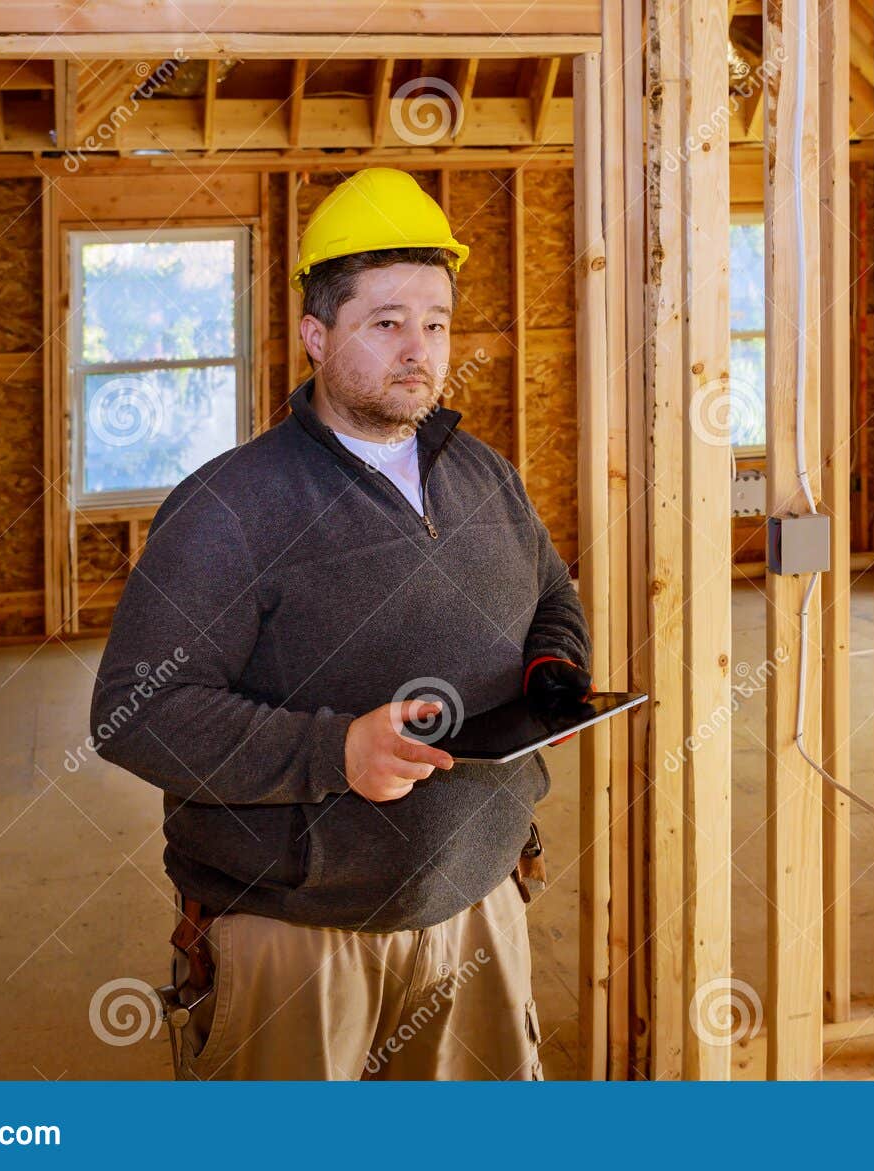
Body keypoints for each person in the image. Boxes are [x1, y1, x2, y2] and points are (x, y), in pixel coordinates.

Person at [88, 167, 592, 1080]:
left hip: (480, 901)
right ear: (317, 335)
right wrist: (335, 753)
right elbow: (134, 711)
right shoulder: (230, 507)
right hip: (299, 932)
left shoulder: (480, 472)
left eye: (436, 323)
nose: (420, 349)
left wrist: (553, 665)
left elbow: (553, 591)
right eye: (387, 321)